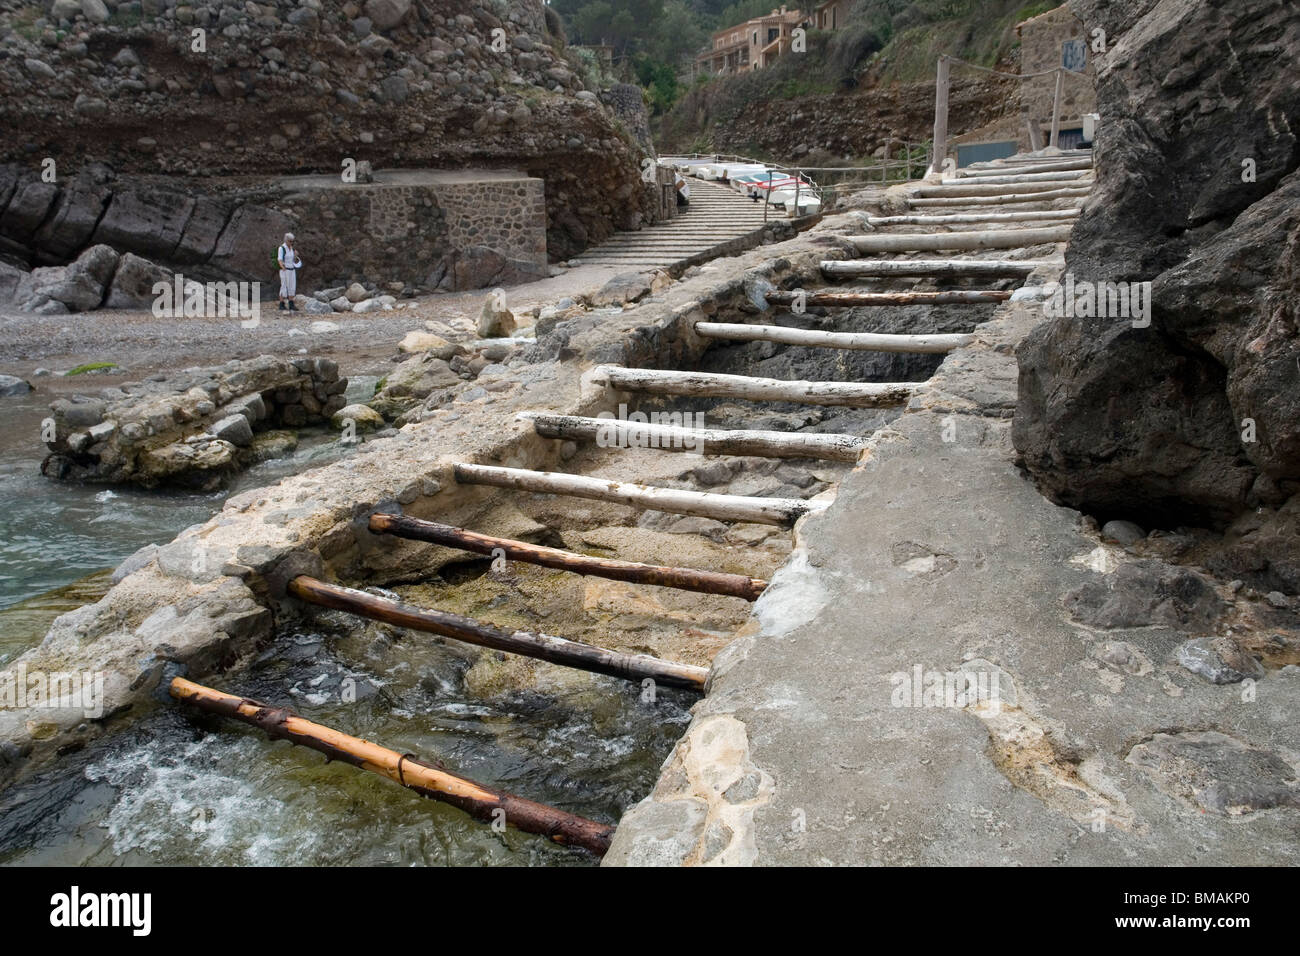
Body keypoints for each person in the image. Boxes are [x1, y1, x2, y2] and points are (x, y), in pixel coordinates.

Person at [277, 233, 302, 311]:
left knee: (292, 286)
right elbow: (280, 259)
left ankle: (291, 304)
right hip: (285, 270)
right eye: (290, 241)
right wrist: (283, 267)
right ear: (286, 240)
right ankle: (281, 304)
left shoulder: (291, 248)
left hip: (292, 269)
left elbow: (293, 260)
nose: (291, 242)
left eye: (292, 241)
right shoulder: (282, 248)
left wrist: (295, 255)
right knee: (284, 286)